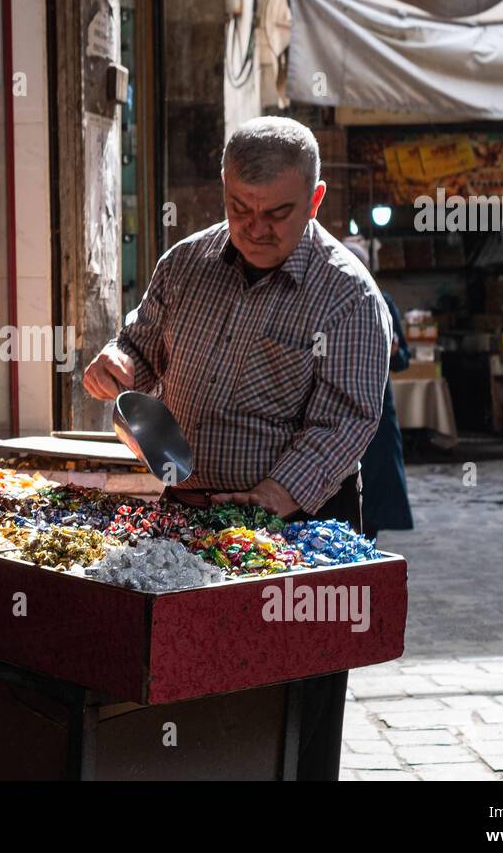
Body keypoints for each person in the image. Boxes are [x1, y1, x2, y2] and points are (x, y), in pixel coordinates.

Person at [82, 116, 392, 780]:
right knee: (196, 701)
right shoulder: (187, 262)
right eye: (238, 208)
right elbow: (141, 344)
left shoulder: (347, 297)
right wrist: (117, 364)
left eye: (278, 213)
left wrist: (268, 501)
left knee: (291, 715)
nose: (254, 228)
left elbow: (344, 422)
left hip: (300, 528)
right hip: (188, 511)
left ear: (314, 200)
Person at [341, 238, 414, 540]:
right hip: (340, 410)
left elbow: (402, 361)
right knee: (342, 494)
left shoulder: (383, 302)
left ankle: (367, 552)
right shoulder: (327, 304)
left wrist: (394, 350)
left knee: (374, 494)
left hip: (378, 411)